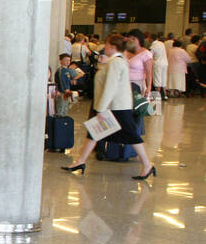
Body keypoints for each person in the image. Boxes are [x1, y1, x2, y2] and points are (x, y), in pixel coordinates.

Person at [63, 35, 155, 180]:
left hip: (116, 107)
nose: (104, 47)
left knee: (130, 135)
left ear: (113, 47)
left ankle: (147, 165)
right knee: (94, 133)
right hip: (115, 106)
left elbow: (110, 87)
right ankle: (80, 161)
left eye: (106, 45)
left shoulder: (115, 63)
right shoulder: (115, 61)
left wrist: (101, 108)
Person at [150, 34, 169, 98]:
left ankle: (157, 95)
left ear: (151, 39)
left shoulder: (153, 45)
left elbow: (150, 55)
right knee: (163, 79)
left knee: (157, 79)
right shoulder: (162, 43)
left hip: (158, 63)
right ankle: (165, 95)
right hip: (165, 63)